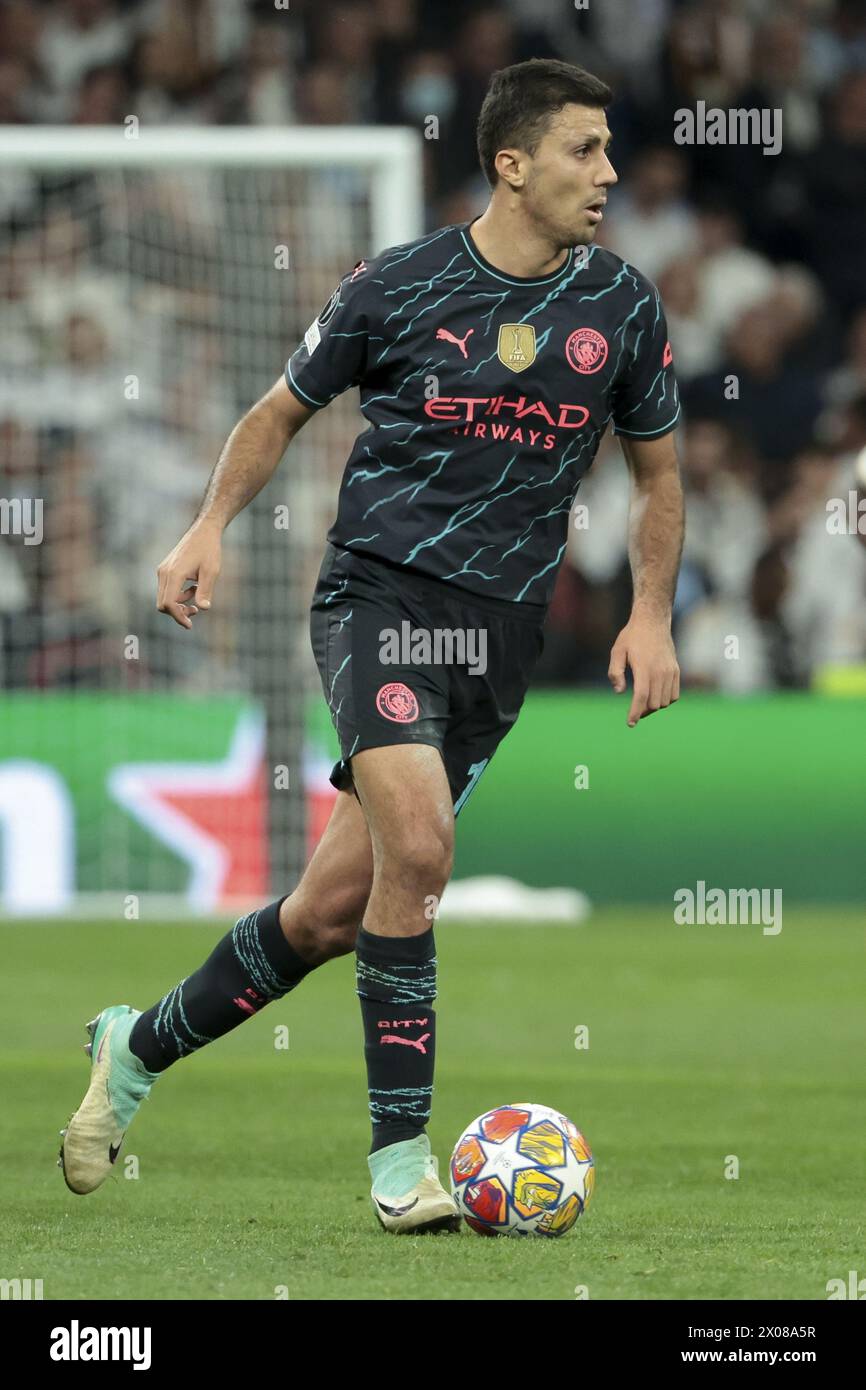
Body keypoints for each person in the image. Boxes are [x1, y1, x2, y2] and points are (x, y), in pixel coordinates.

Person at [60, 57, 684, 1233]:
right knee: (422, 842)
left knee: (328, 915)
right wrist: (205, 526)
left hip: (495, 644)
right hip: (377, 601)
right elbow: (276, 412)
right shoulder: (396, 285)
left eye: (606, 152)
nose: (606, 174)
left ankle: (132, 1047)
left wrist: (650, 612)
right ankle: (401, 1164)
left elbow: (658, 474)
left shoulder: (622, 306)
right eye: (582, 151)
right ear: (511, 165)